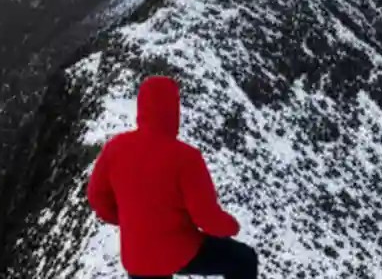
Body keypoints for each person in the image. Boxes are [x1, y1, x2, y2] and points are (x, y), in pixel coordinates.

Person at [87, 76, 259, 279]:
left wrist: (128, 220)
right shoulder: (186, 157)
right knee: (243, 259)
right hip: (179, 250)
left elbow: (96, 196)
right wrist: (231, 226)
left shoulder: (115, 148)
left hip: (137, 257)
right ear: (173, 109)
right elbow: (205, 216)